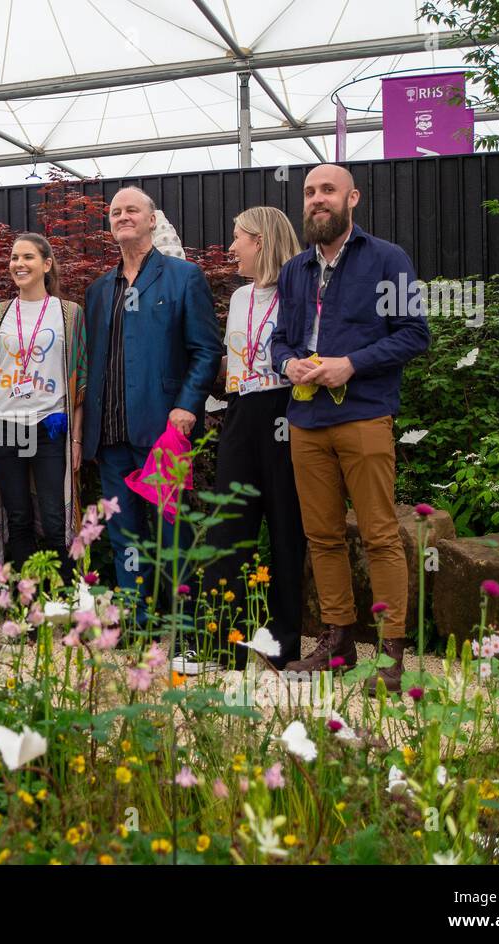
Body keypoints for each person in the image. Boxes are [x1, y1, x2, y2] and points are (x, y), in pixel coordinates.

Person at [268, 164, 430, 694]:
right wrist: (288, 363)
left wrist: (350, 364)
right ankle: (337, 642)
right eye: (310, 191)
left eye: (327, 191)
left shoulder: (387, 259)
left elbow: (414, 335)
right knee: (322, 536)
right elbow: (280, 341)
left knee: (381, 534)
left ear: (351, 198)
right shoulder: (295, 270)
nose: (317, 199)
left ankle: (389, 653)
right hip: (306, 418)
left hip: (363, 413)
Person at [80, 187, 223, 615]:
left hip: (164, 428)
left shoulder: (184, 276)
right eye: (115, 212)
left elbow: (206, 350)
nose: (123, 217)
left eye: (132, 210)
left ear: (152, 220)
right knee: (124, 533)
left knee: (170, 529)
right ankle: (136, 618)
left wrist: (187, 405)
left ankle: (181, 623)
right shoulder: (99, 290)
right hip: (109, 433)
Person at [196, 206, 306, 671]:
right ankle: (223, 643)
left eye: (237, 237)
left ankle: (283, 646)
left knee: (286, 529)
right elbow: (232, 360)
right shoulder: (240, 296)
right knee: (228, 528)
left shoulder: (300, 290)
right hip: (240, 411)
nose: (230, 247)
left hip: (286, 407)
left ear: (260, 240)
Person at [0, 234, 87, 579]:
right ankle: (28, 602)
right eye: (14, 258)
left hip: (50, 424)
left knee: (53, 518)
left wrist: (76, 439)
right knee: (17, 516)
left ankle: (62, 598)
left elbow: (79, 380)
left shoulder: (69, 314)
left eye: (28, 257)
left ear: (46, 264)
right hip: (1, 424)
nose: (19, 264)